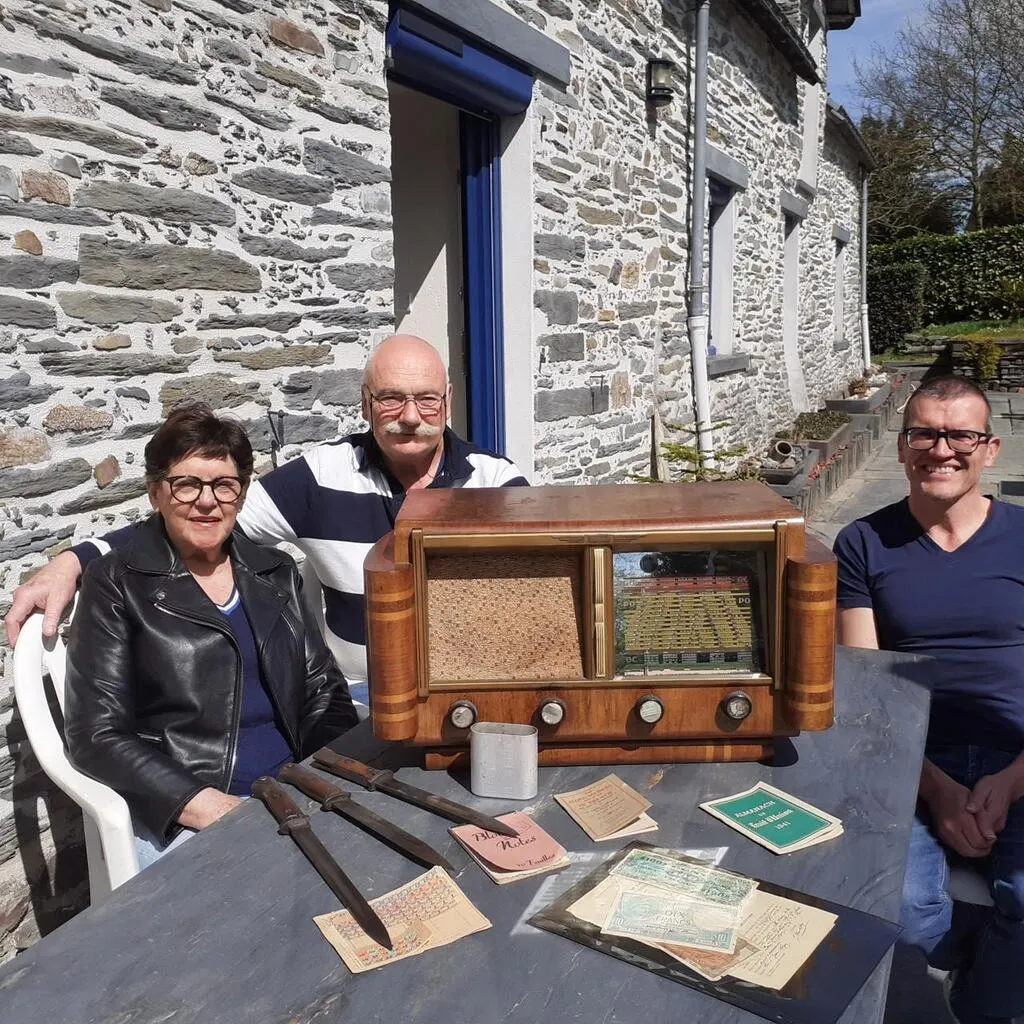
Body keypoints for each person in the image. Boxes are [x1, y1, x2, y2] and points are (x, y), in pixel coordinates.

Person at [5, 335, 528, 704]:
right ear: (367, 405)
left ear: (448, 403)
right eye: (391, 398)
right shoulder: (320, 476)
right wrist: (74, 561)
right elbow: (202, 515)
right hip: (359, 699)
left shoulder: (496, 484)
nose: (410, 416)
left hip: (475, 688)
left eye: (426, 400)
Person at [63, 404, 358, 867]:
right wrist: (208, 806)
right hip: (190, 806)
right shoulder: (117, 583)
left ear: (240, 498)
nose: (207, 501)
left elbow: (323, 689)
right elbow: (96, 734)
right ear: (155, 493)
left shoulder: (274, 571)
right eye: (187, 484)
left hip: (295, 787)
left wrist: (333, 774)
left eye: (224, 485)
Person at [834, 375, 1024, 1024]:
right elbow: (865, 687)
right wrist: (936, 790)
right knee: (907, 912)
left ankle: (980, 1007)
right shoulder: (863, 544)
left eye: (960, 435)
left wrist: (1013, 780)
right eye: (925, 433)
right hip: (909, 760)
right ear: (902, 445)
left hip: (1018, 754)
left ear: (990, 448)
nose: (941, 448)